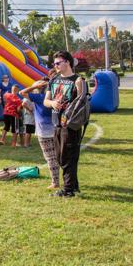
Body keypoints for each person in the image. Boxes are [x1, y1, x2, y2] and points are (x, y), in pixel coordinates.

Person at [44, 51, 88, 197]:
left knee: (68, 156)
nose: (55, 66)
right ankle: (73, 186)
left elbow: (83, 103)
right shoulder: (53, 80)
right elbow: (46, 101)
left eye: (58, 63)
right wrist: (53, 103)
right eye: (54, 64)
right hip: (56, 122)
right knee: (60, 156)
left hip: (70, 124)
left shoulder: (78, 80)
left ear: (67, 62)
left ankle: (68, 189)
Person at [21, 85, 58, 189]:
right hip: (56, 128)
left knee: (50, 158)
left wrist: (35, 86)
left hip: (44, 130)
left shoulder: (40, 97)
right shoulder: (55, 97)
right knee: (57, 156)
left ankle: (55, 182)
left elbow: (22, 92)